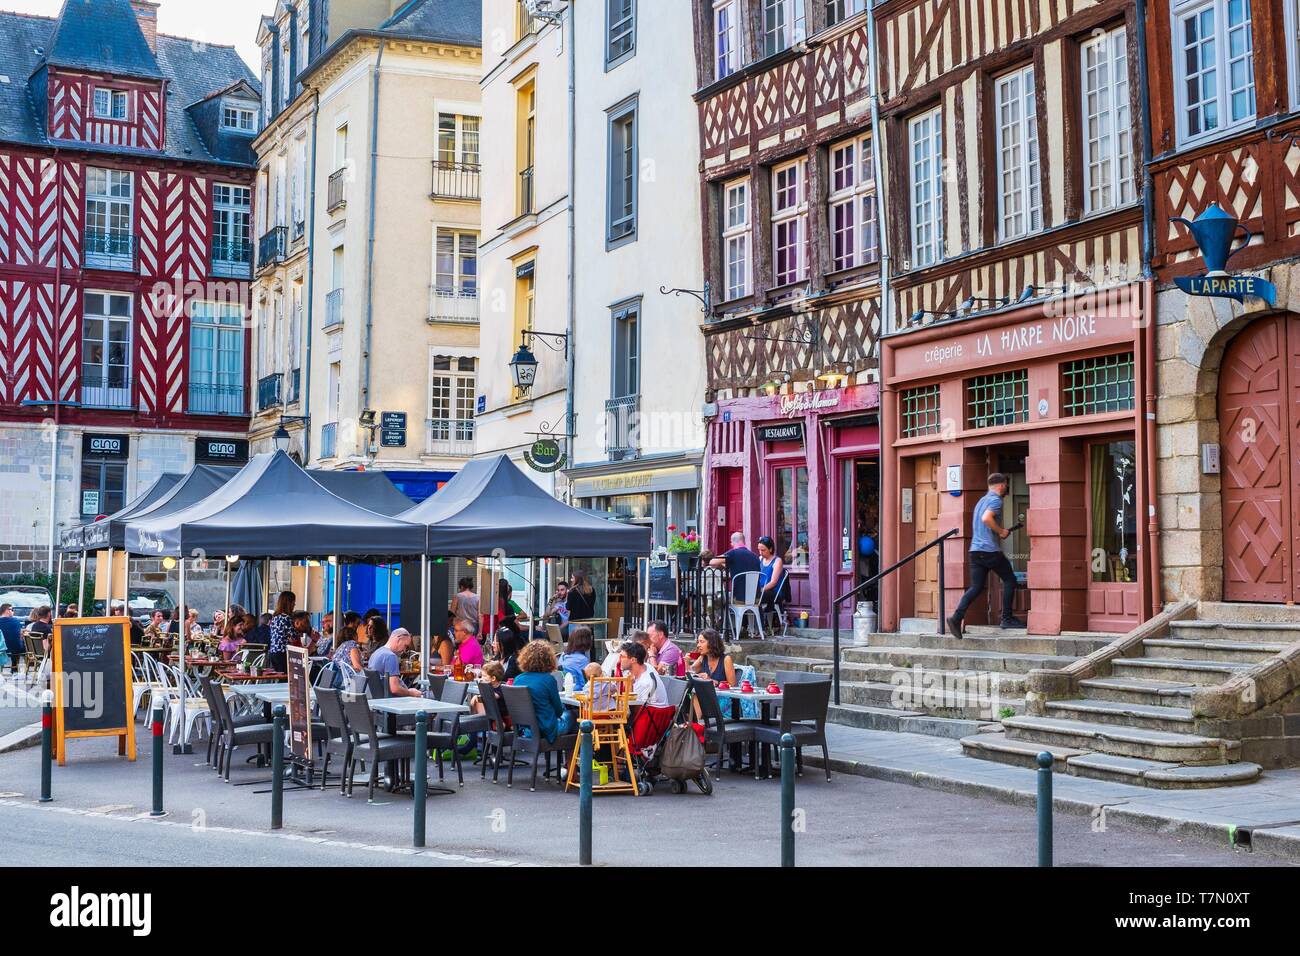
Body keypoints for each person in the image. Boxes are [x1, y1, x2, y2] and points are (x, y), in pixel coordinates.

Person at [947, 472, 1024, 640]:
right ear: (1002, 485)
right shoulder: (996, 500)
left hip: (975, 551)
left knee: (976, 587)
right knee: (1010, 580)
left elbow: (983, 518)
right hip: (989, 551)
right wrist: (1001, 531)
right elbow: (986, 518)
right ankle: (1007, 618)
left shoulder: (981, 501)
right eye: (1006, 485)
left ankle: (956, 618)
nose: (1006, 488)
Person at [513, 640, 575, 741]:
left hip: (526, 730)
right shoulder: (548, 680)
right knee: (574, 716)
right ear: (549, 659)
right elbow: (558, 711)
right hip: (545, 730)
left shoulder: (518, 679)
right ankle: (573, 756)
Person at [366, 627, 422, 698]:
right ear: (399, 639)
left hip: (376, 700)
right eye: (405, 646)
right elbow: (395, 689)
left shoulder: (376, 653)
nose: (404, 650)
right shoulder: (391, 656)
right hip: (390, 702)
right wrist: (410, 693)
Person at [708, 531, 763, 600]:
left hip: (738, 597)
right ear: (744, 542)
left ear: (732, 542)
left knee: (720, 599)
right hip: (756, 597)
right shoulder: (755, 556)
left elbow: (712, 562)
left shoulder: (733, 553)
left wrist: (724, 563)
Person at [618, 641, 667, 705]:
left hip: (651, 713)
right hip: (648, 710)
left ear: (633, 660)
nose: (619, 659)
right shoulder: (646, 666)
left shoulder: (645, 683)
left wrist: (629, 686)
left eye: (622, 657)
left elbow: (633, 710)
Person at [330, 624, 368, 689]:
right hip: (350, 682)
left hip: (337, 681)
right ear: (354, 635)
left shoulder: (340, 647)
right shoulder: (352, 645)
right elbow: (357, 667)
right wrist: (369, 673)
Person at [755, 535, 786, 614]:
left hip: (773, 592)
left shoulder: (777, 561)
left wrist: (760, 590)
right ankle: (747, 623)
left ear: (770, 549)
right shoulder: (760, 559)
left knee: (755, 596)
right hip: (761, 590)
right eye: (759, 550)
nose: (760, 553)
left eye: (763, 550)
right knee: (747, 595)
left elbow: (773, 582)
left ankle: (760, 622)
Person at [266, 591, 296, 672]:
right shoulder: (286, 618)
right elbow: (294, 636)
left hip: (273, 651)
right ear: (289, 603)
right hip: (282, 652)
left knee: (279, 676)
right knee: (285, 677)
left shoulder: (275, 617)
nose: (294, 605)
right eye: (293, 602)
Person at [558, 625, 593, 690]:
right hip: (576, 692)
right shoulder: (583, 660)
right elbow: (585, 683)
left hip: (562, 689)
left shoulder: (563, 655)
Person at [0, 604, 24, 674]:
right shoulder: (15, 621)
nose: (13, 612)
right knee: (18, 643)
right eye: (12, 610)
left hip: (1, 648)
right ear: (7, 611)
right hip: (15, 649)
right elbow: (19, 635)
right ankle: (15, 668)